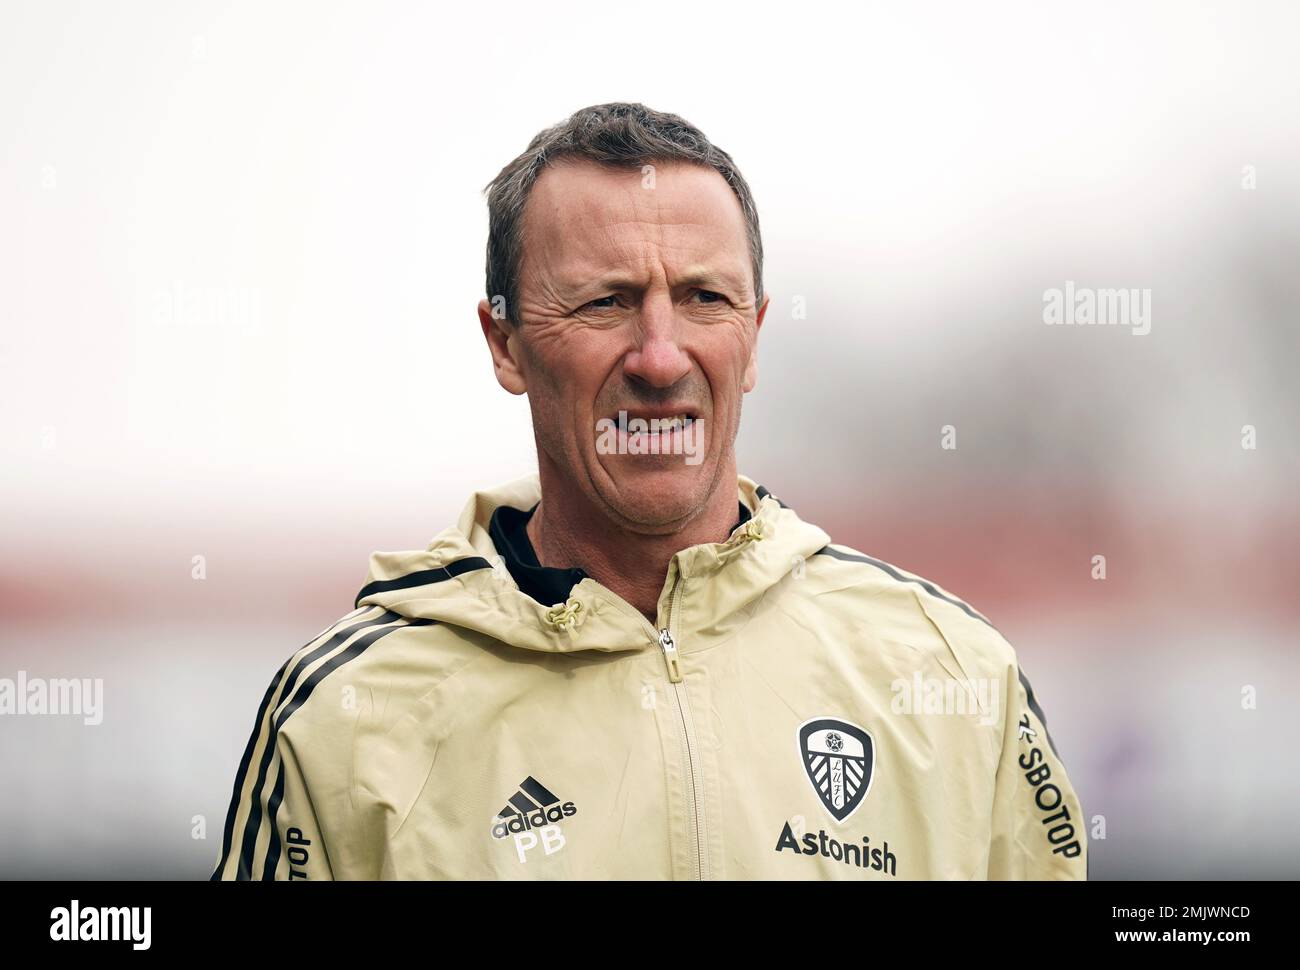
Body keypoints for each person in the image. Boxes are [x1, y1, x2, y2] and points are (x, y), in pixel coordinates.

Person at [212, 102, 1087, 880]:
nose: (661, 358)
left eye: (704, 298)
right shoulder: (345, 719)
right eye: (605, 303)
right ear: (505, 342)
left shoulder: (954, 674)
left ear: (754, 338)